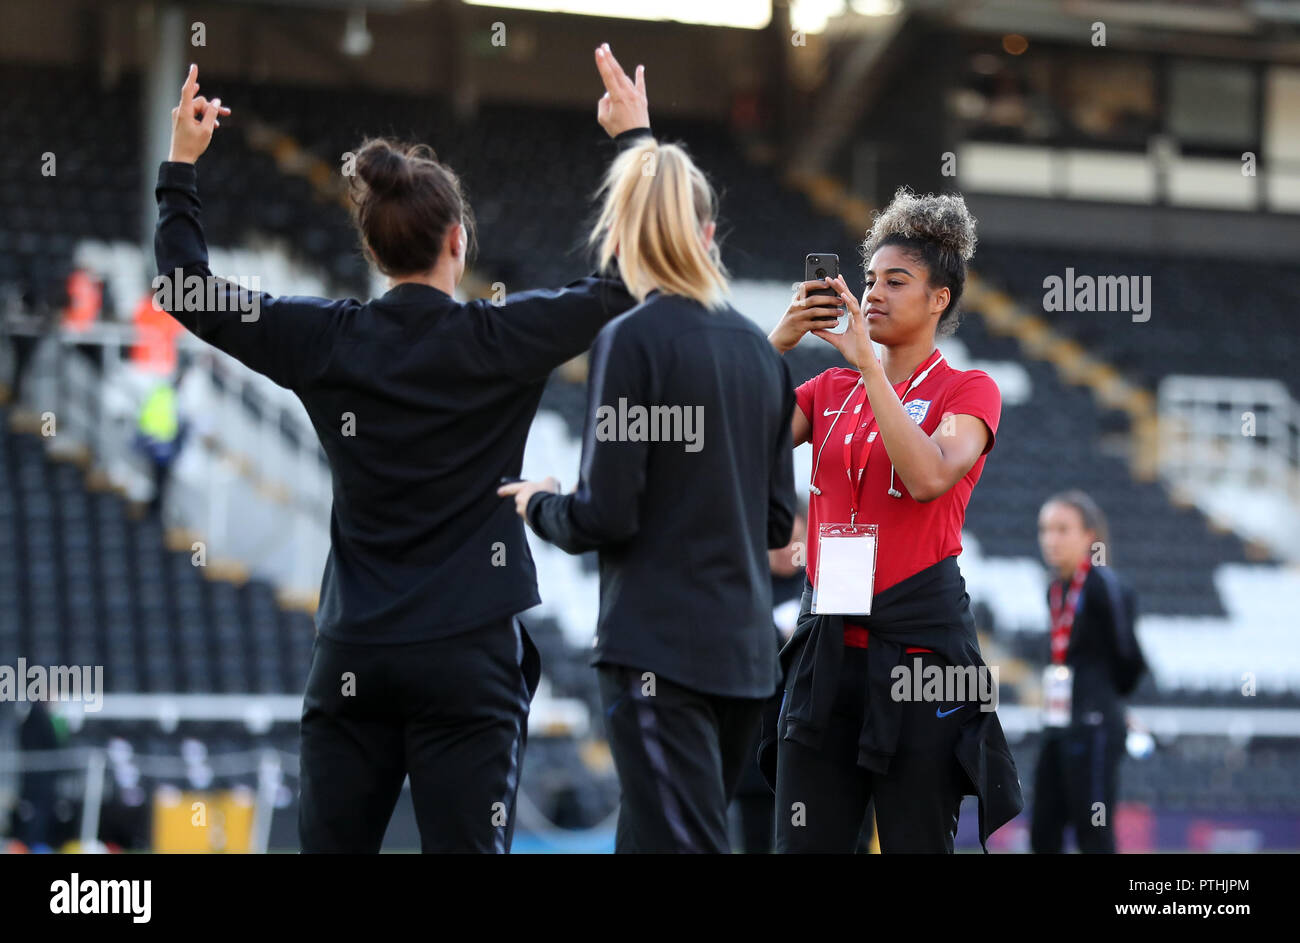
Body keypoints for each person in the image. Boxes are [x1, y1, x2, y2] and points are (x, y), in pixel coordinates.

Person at [153, 48, 651, 853]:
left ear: (375, 250)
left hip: (358, 651)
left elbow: (184, 287)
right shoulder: (500, 336)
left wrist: (182, 163)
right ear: (457, 241)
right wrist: (634, 144)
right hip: (467, 653)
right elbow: (626, 283)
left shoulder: (327, 340)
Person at [500, 133, 797, 854]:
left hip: (660, 655)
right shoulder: (760, 350)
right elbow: (777, 521)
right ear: (709, 233)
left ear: (622, 234)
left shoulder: (630, 339)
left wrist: (539, 502)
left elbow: (606, 511)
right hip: (744, 661)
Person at [760, 186, 1022, 853]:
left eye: (895, 281)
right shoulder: (825, 389)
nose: (872, 293)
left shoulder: (969, 390)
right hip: (824, 654)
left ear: (939, 298)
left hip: (919, 661)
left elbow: (929, 474)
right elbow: (731, 445)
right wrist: (776, 343)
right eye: (868, 279)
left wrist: (869, 368)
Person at [1031, 490, 1145, 853]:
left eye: (1063, 529)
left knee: (1092, 829)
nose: (1051, 539)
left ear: (1089, 536)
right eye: (1046, 530)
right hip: (1058, 721)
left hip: (1095, 725)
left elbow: (1129, 656)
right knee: (1042, 828)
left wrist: (1110, 702)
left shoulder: (1105, 587)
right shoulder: (1053, 588)